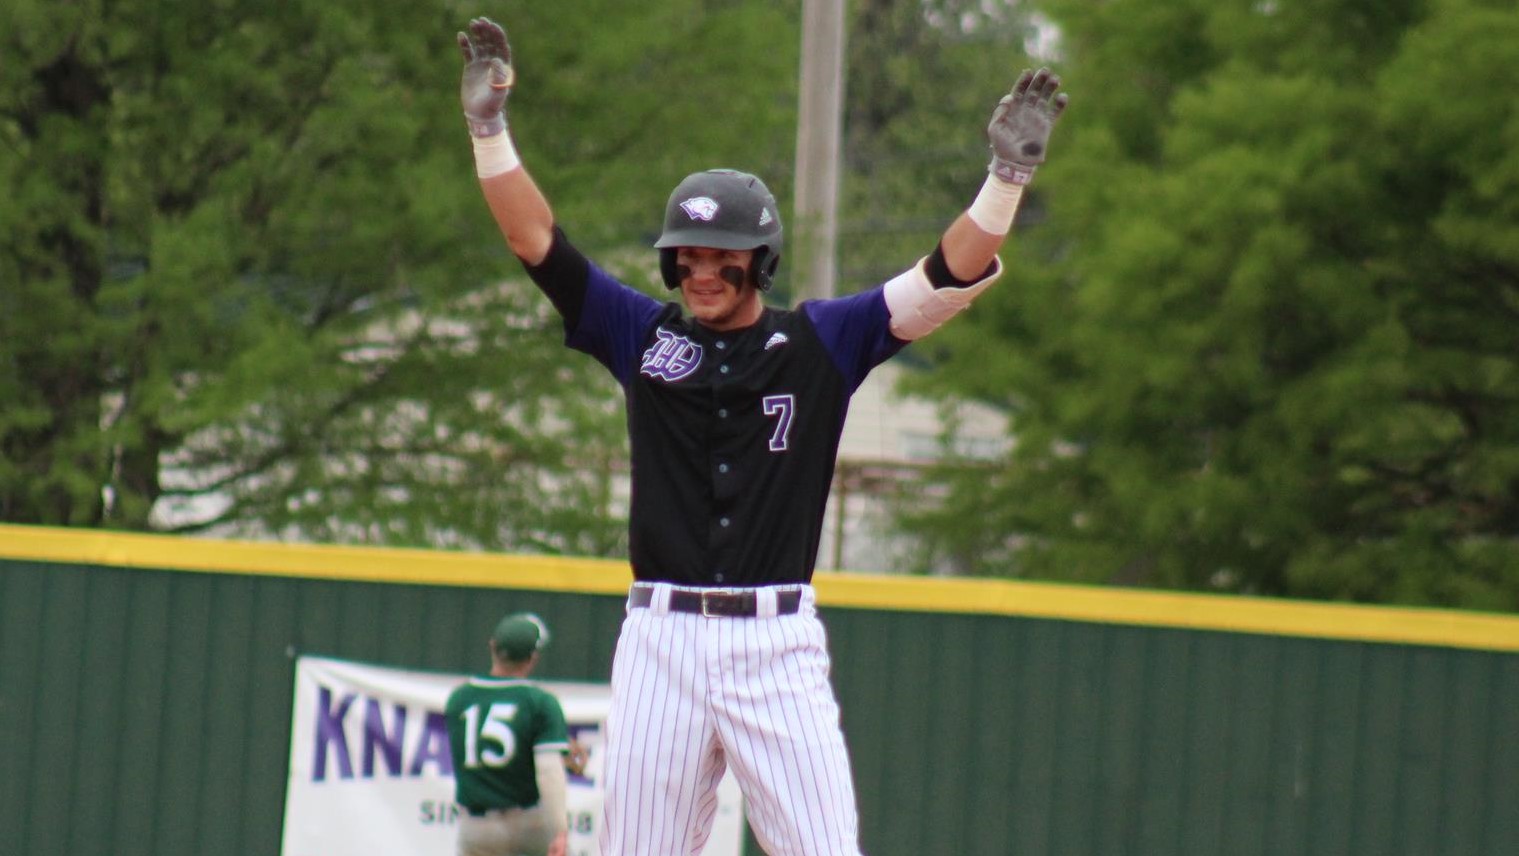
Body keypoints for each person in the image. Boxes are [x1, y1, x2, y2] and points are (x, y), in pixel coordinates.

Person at [454, 16, 1068, 856]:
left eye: (723, 255)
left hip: (774, 644)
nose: (702, 271)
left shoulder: (819, 342)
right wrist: (488, 130)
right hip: (661, 638)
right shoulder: (641, 334)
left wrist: (1005, 178)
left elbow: (944, 274)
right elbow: (535, 242)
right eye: (688, 255)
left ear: (760, 260)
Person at [445, 612, 573, 856]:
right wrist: (560, 829)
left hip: (476, 825)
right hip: (527, 823)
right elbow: (549, 771)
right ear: (532, 658)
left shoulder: (460, 698)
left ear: (492, 646)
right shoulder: (540, 702)